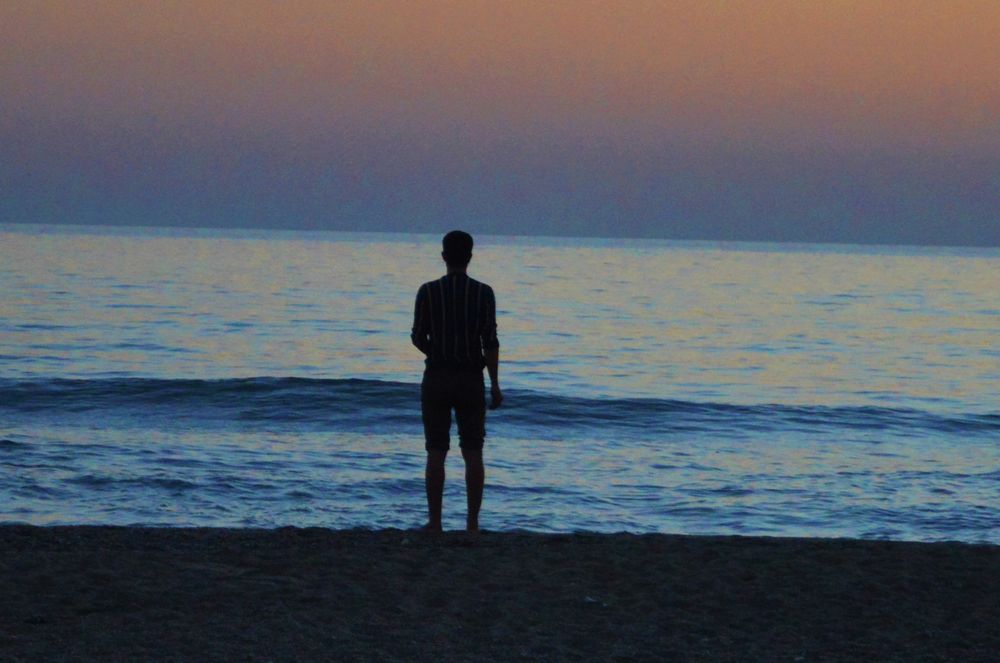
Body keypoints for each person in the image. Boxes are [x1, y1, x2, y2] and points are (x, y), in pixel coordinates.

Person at [411, 230, 502, 533]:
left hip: (437, 376)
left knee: (436, 450)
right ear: (471, 256)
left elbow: (417, 336)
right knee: (473, 451)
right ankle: (472, 525)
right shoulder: (483, 293)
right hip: (470, 378)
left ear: (443, 256)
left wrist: (436, 350)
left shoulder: (427, 291)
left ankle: (435, 523)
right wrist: (495, 384)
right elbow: (490, 341)